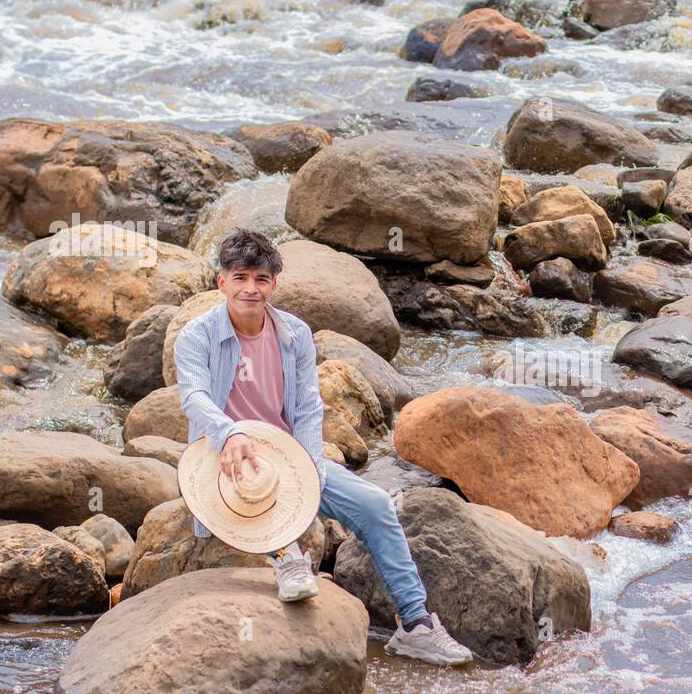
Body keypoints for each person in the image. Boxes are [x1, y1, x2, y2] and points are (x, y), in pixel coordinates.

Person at [172, 228, 472, 667]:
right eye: (240, 278)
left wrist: (307, 479)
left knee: (375, 505)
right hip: (223, 456)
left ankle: (416, 625)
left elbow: (310, 411)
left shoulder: (294, 333)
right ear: (222, 283)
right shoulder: (196, 336)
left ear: (273, 284)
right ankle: (286, 553)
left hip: (288, 456)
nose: (250, 289)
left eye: (260, 279)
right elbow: (193, 398)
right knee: (260, 501)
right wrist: (229, 433)